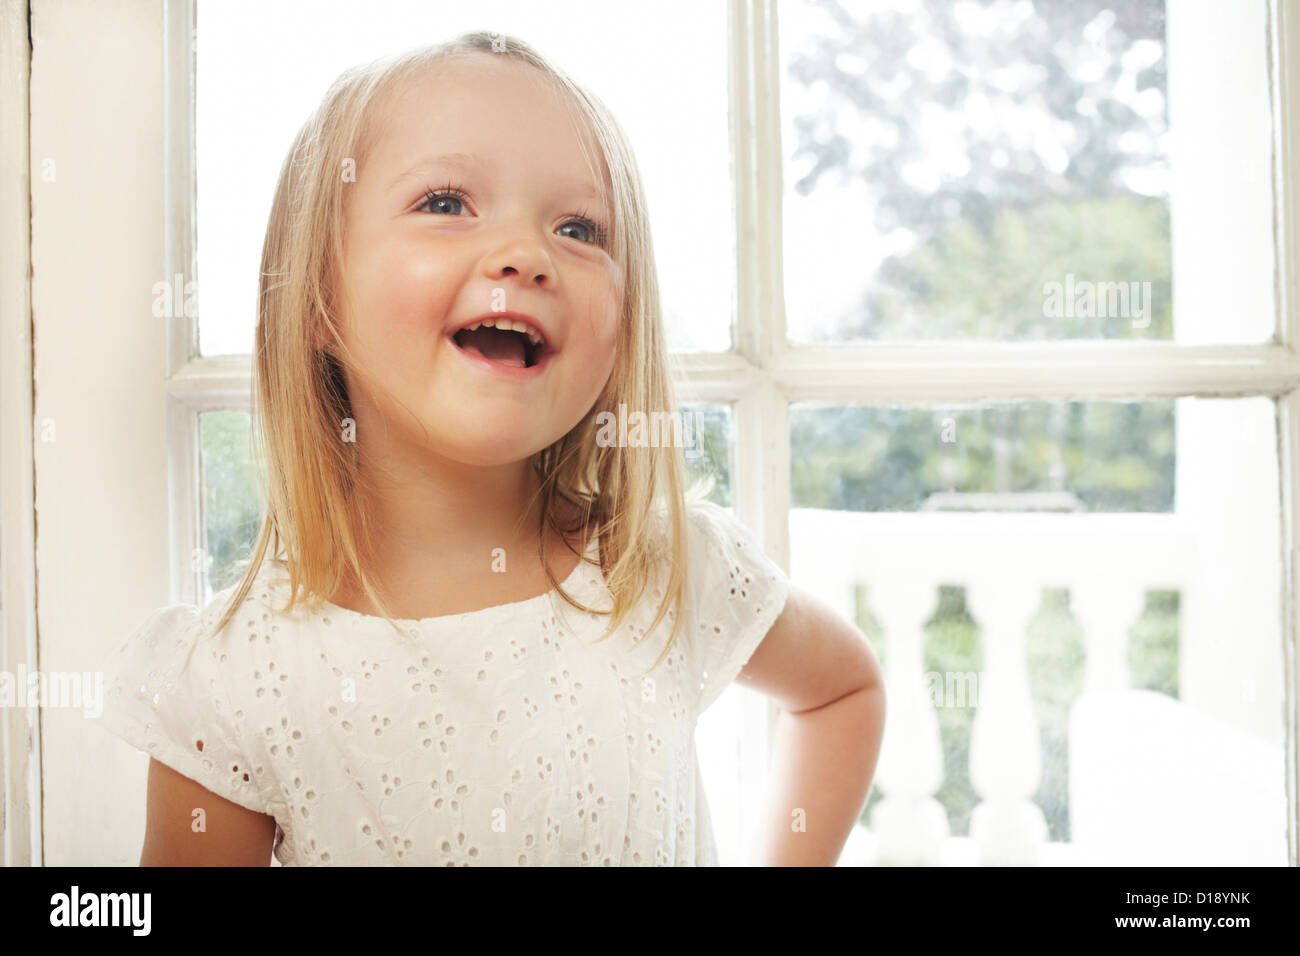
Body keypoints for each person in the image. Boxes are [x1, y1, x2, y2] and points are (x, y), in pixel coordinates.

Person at [96, 30, 885, 866]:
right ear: (319, 295)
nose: (526, 255)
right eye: (445, 204)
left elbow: (843, 691)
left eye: (580, 227)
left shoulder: (662, 574)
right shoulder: (230, 682)